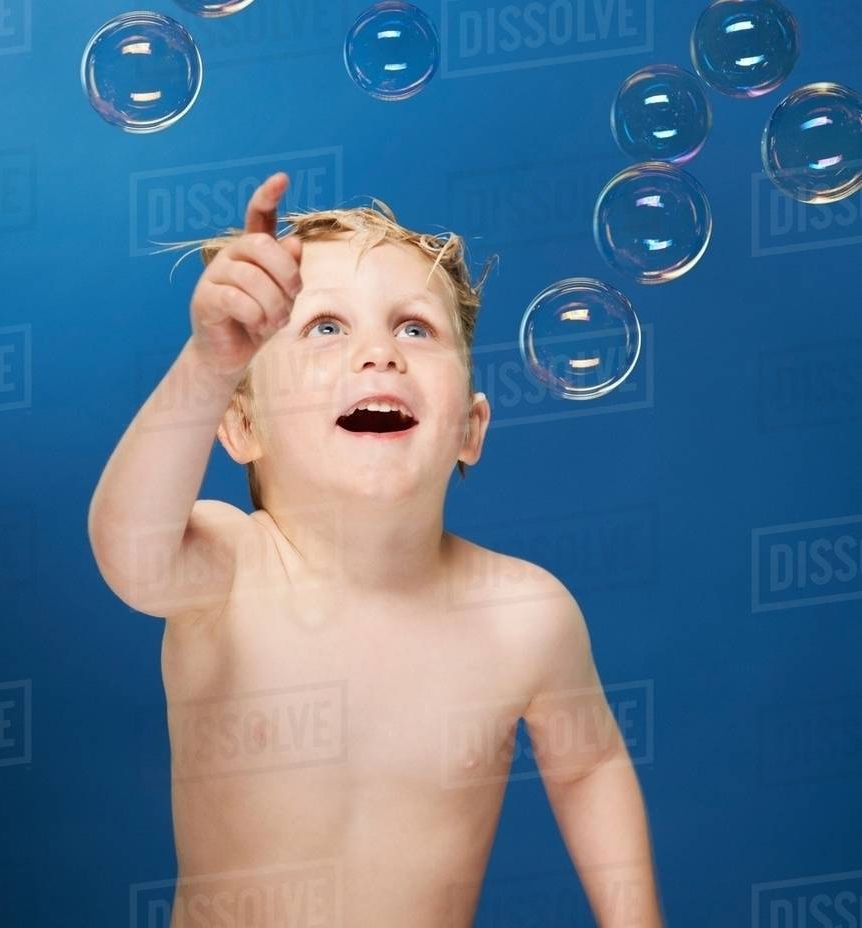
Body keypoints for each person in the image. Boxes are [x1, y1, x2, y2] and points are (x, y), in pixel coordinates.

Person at [88, 170, 665, 927]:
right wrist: (209, 363)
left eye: (415, 328)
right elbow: (128, 551)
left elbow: (589, 767)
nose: (378, 353)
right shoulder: (230, 570)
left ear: (470, 429)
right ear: (242, 424)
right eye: (325, 327)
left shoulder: (523, 614)